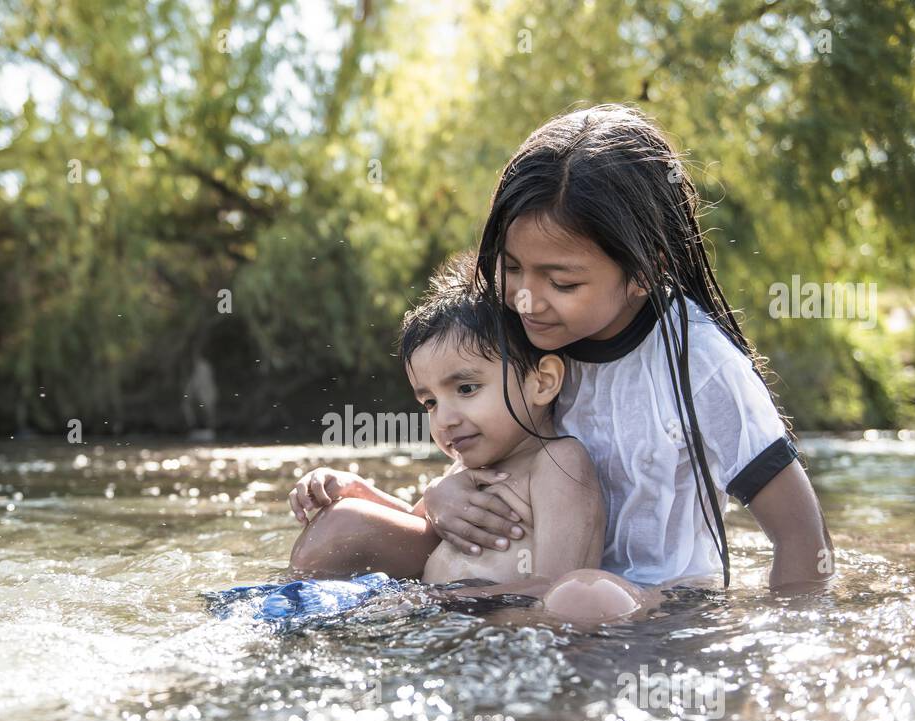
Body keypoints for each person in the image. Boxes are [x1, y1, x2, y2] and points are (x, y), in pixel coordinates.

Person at [294, 103, 832, 601]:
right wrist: (437, 497)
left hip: (638, 604)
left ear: (645, 271)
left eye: (563, 282)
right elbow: (488, 461)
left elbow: (802, 535)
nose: (527, 299)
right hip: (513, 570)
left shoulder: (701, 365)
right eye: (510, 268)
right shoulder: (515, 326)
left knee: (582, 596)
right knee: (339, 530)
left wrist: (791, 660)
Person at [289, 254, 645, 628]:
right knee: (338, 524)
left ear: (541, 382)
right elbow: (417, 529)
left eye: (467, 388)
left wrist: (436, 601)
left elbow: (556, 588)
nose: (445, 418)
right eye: (429, 402)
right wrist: (357, 491)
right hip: (444, 620)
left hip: (505, 630)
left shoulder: (556, 464)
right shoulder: (466, 467)